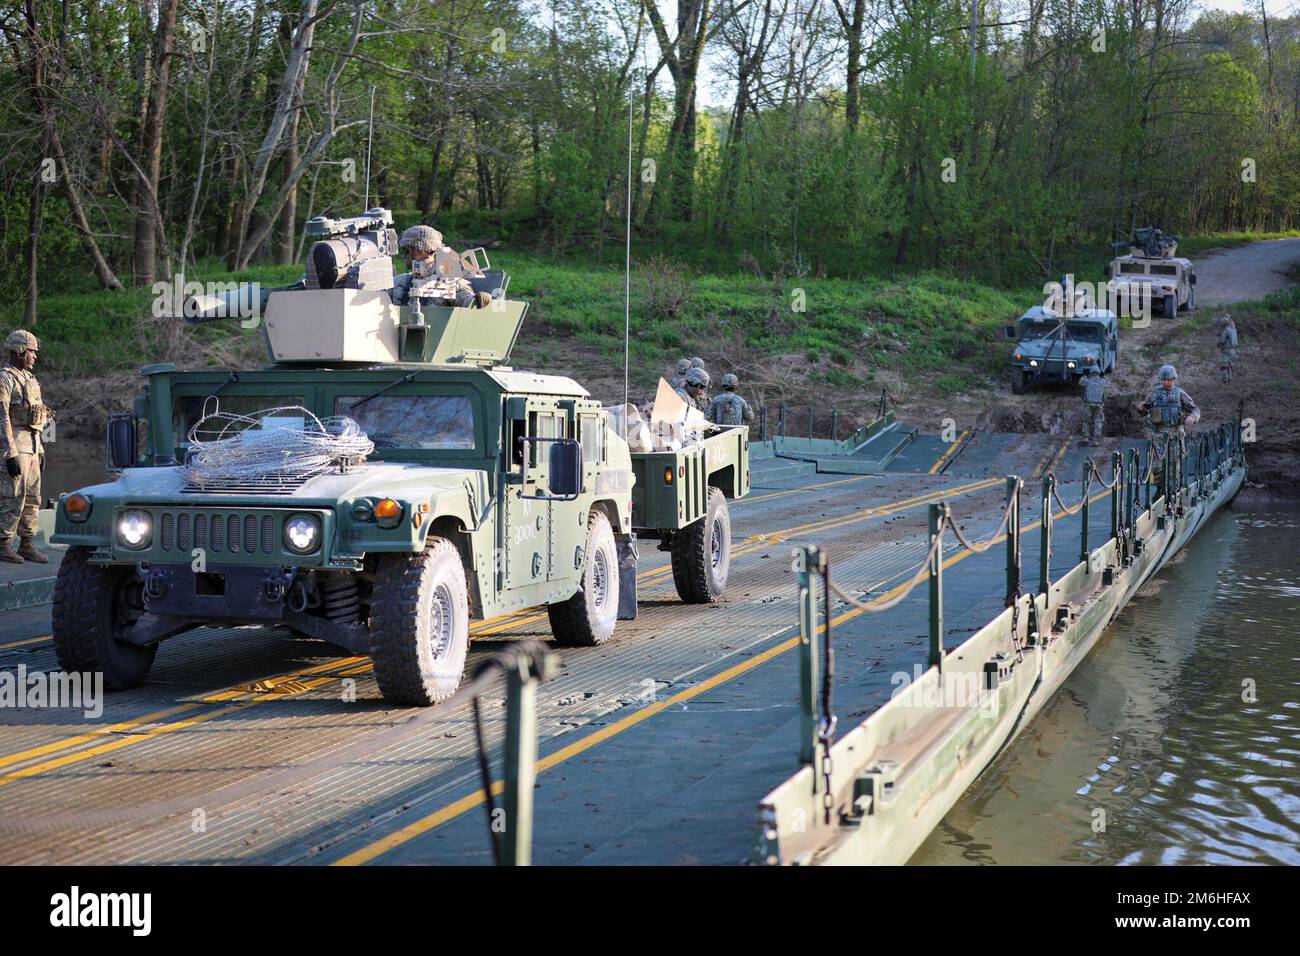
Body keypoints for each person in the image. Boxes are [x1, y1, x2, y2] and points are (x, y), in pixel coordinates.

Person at [0, 329, 52, 564]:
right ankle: (3, 543)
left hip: (33, 445)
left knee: (33, 497)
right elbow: (2, 417)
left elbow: (37, 419)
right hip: (16, 445)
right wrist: (9, 453)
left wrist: (40, 449)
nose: (35, 356)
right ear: (20, 351)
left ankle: (27, 544)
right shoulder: (5, 378)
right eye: (32, 352)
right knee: (13, 496)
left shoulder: (31, 379)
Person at [393, 225, 491, 309]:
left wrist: (478, 299)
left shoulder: (450, 283)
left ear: (422, 250)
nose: (405, 255)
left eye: (408, 250)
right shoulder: (401, 281)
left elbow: (465, 300)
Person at [1135, 363, 1199, 490]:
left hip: (1175, 434)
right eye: (1164, 380)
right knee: (1157, 467)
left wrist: (1192, 417)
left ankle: (1172, 493)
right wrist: (1140, 408)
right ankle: (1161, 490)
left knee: (1174, 467)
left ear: (1173, 380)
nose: (1167, 383)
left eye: (1169, 380)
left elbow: (1195, 409)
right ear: (1160, 380)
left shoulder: (1180, 394)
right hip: (1159, 435)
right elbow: (1145, 410)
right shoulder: (1154, 394)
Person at [1079, 366, 1106, 446]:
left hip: (1088, 403)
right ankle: (1096, 440)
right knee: (1098, 421)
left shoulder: (1087, 381)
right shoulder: (1103, 381)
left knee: (1086, 421)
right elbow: (1108, 385)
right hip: (1099, 404)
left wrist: (1085, 375)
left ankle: (1086, 438)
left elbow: (1080, 382)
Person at [1215, 314, 1238, 383]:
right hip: (1233, 350)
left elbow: (1221, 341)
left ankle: (1224, 380)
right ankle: (1230, 378)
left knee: (1223, 366)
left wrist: (1218, 337)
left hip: (1226, 350)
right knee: (1229, 365)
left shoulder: (1225, 331)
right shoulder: (1233, 329)